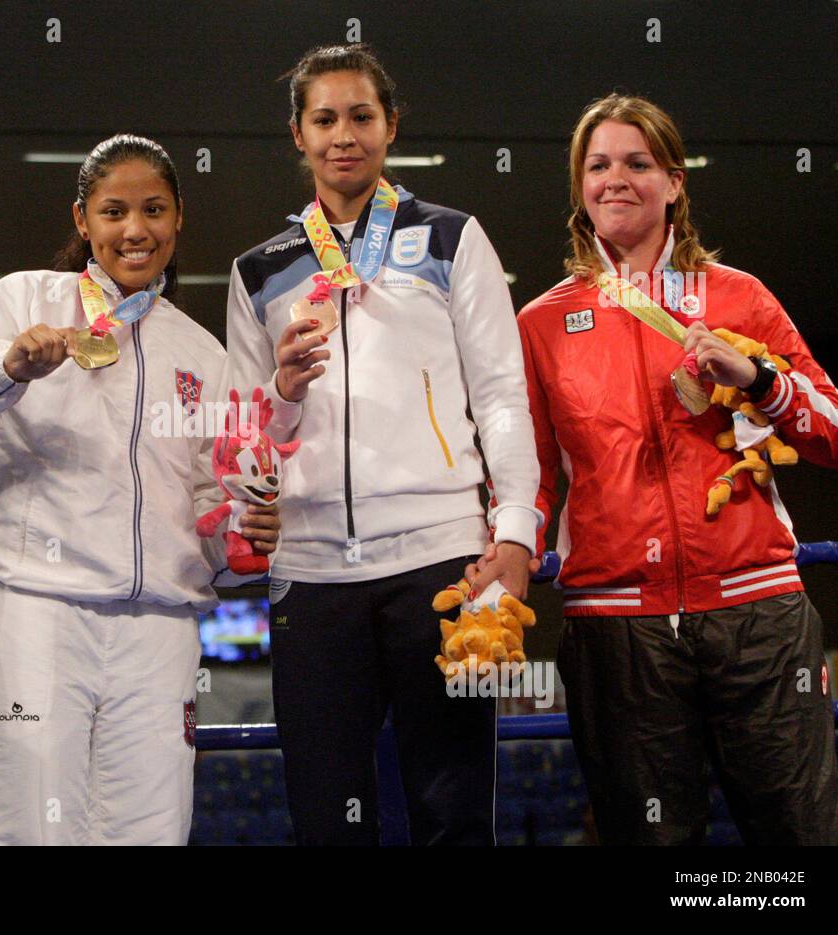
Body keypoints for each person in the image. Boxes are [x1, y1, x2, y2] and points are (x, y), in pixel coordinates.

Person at [0, 134, 279, 846]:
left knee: (153, 833)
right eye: (114, 212)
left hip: (160, 627)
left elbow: (212, 509)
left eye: (153, 210)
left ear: (178, 218)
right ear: (82, 220)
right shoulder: (22, 301)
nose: (135, 229)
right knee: (34, 829)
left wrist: (245, 534)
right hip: (36, 610)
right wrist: (3, 367)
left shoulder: (202, 353)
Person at [506, 94, 838, 844]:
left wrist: (760, 379)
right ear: (579, 186)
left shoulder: (740, 296)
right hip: (616, 625)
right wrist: (504, 568)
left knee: (803, 839)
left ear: (674, 182)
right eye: (598, 165)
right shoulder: (540, 323)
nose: (616, 179)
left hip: (757, 613)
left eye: (638, 163)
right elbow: (526, 476)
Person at [225, 44, 542, 845]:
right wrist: (281, 394)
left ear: (391, 125)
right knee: (325, 818)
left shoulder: (452, 238)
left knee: (456, 813)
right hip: (311, 575)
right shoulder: (259, 270)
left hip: (446, 563)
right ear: (298, 134)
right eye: (325, 118)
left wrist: (514, 531)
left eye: (361, 116)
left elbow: (501, 394)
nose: (344, 135)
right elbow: (244, 441)